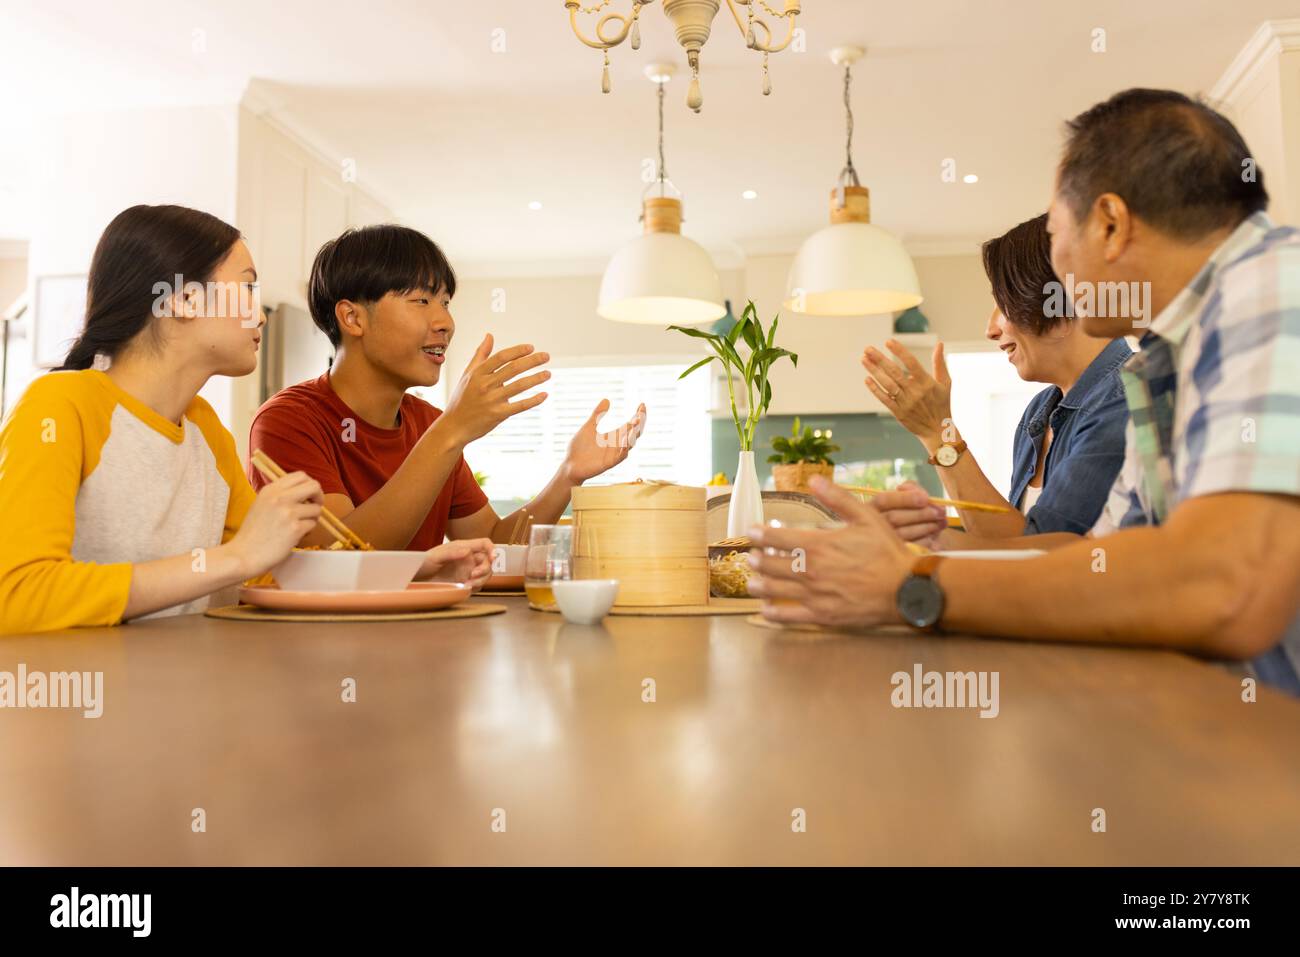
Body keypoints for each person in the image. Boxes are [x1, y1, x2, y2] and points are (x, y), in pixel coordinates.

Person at [747, 89, 1300, 693]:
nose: (1057, 268)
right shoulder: (1165, 365)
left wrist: (911, 585)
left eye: (1058, 233)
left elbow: (1224, 587)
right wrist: (921, 558)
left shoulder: (1272, 289)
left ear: (1111, 225)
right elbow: (1099, 558)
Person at [0, 206, 492, 635]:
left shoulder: (202, 427)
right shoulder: (60, 405)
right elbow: (17, 596)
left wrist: (411, 568)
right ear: (182, 298)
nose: (260, 315)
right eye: (247, 288)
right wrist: (236, 558)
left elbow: (264, 577)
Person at [248, 224, 646, 550]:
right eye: (421, 301)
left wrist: (569, 475)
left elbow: (494, 543)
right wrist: (453, 430)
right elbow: (344, 560)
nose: (445, 323)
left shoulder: (430, 424)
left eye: (446, 302)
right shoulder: (289, 421)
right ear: (352, 318)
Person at [862, 213, 1131, 545]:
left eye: (1002, 304)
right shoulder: (1039, 411)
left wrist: (939, 433)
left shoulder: (1124, 400)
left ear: (1059, 303)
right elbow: (1011, 543)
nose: (990, 329)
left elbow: (1040, 556)